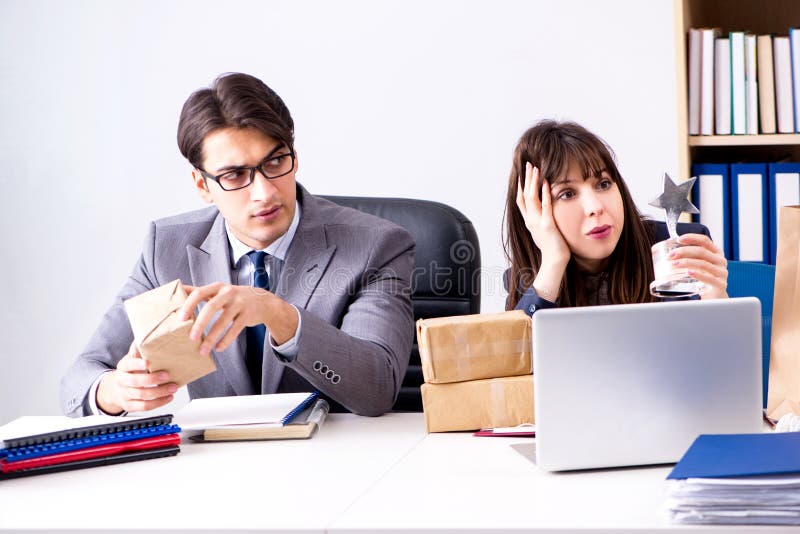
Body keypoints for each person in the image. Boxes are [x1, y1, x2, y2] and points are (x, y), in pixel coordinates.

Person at [61, 73, 414, 417]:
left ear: (295, 156)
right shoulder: (167, 247)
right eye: (235, 175)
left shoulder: (376, 245)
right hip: (216, 465)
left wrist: (278, 315)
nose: (264, 193)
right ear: (202, 185)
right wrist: (115, 390)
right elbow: (80, 378)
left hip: (338, 461)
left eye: (276, 162)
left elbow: (377, 389)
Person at [504, 120, 727, 314]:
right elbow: (517, 361)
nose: (595, 207)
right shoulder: (531, 278)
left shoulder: (673, 253)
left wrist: (716, 298)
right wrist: (553, 262)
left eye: (603, 184)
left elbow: (719, 355)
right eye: (567, 194)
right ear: (535, 210)